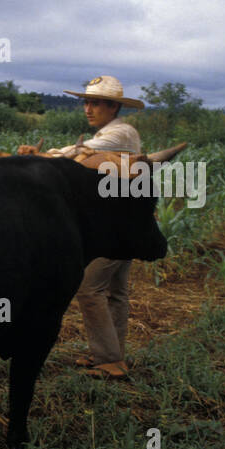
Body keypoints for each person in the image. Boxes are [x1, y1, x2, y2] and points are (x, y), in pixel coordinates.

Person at [48, 76, 146, 380]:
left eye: (96, 103)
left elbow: (78, 153)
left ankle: (109, 361)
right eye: (86, 102)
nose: (88, 109)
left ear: (114, 107)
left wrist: (45, 155)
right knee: (115, 292)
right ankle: (111, 355)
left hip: (114, 225)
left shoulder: (120, 133)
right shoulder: (111, 131)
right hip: (123, 221)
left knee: (89, 288)